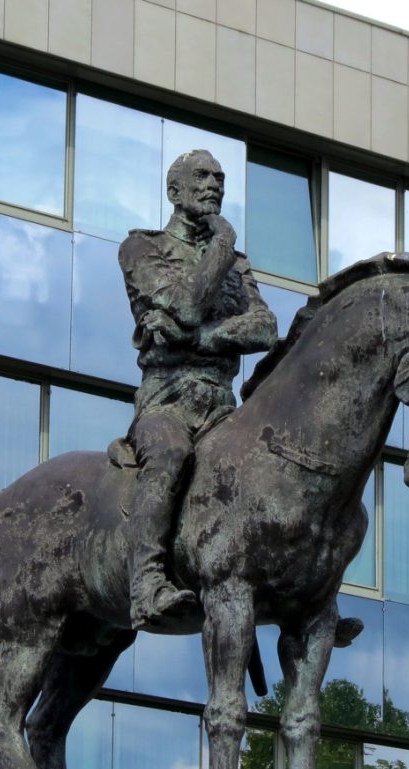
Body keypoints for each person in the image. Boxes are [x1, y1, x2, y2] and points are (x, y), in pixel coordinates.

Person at [118, 149, 277, 629]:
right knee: (168, 455)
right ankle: (145, 584)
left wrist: (204, 337)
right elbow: (186, 304)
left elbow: (265, 328)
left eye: (220, 178)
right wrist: (221, 246)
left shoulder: (238, 265)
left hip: (223, 407)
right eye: (203, 177)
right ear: (174, 191)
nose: (215, 186)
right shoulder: (142, 249)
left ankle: (288, 588)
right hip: (167, 402)